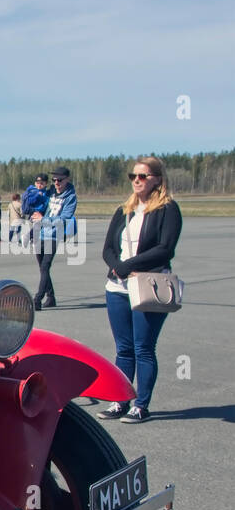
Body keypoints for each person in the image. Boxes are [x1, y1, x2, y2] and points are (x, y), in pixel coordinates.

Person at [98, 157, 181, 424]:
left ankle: (141, 404)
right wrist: (117, 268)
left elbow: (165, 249)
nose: (136, 180)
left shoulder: (168, 209)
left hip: (148, 286)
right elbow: (108, 248)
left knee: (143, 347)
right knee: (123, 349)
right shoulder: (124, 210)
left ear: (158, 179)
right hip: (117, 287)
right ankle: (120, 400)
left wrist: (128, 266)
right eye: (133, 176)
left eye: (143, 176)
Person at [32, 166, 77, 310]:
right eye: (54, 180)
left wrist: (43, 219)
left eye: (59, 180)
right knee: (42, 268)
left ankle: (37, 299)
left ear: (67, 179)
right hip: (40, 233)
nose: (56, 183)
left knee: (45, 266)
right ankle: (51, 297)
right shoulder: (50, 191)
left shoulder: (71, 197)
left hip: (53, 235)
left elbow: (63, 219)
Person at [20, 174, 50, 248]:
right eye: (38, 183)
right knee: (38, 225)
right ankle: (27, 237)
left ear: (46, 183)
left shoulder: (45, 192)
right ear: (35, 183)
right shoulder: (33, 191)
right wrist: (37, 195)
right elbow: (30, 201)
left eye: (42, 183)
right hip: (35, 212)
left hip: (42, 213)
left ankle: (34, 241)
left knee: (39, 228)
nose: (39, 185)